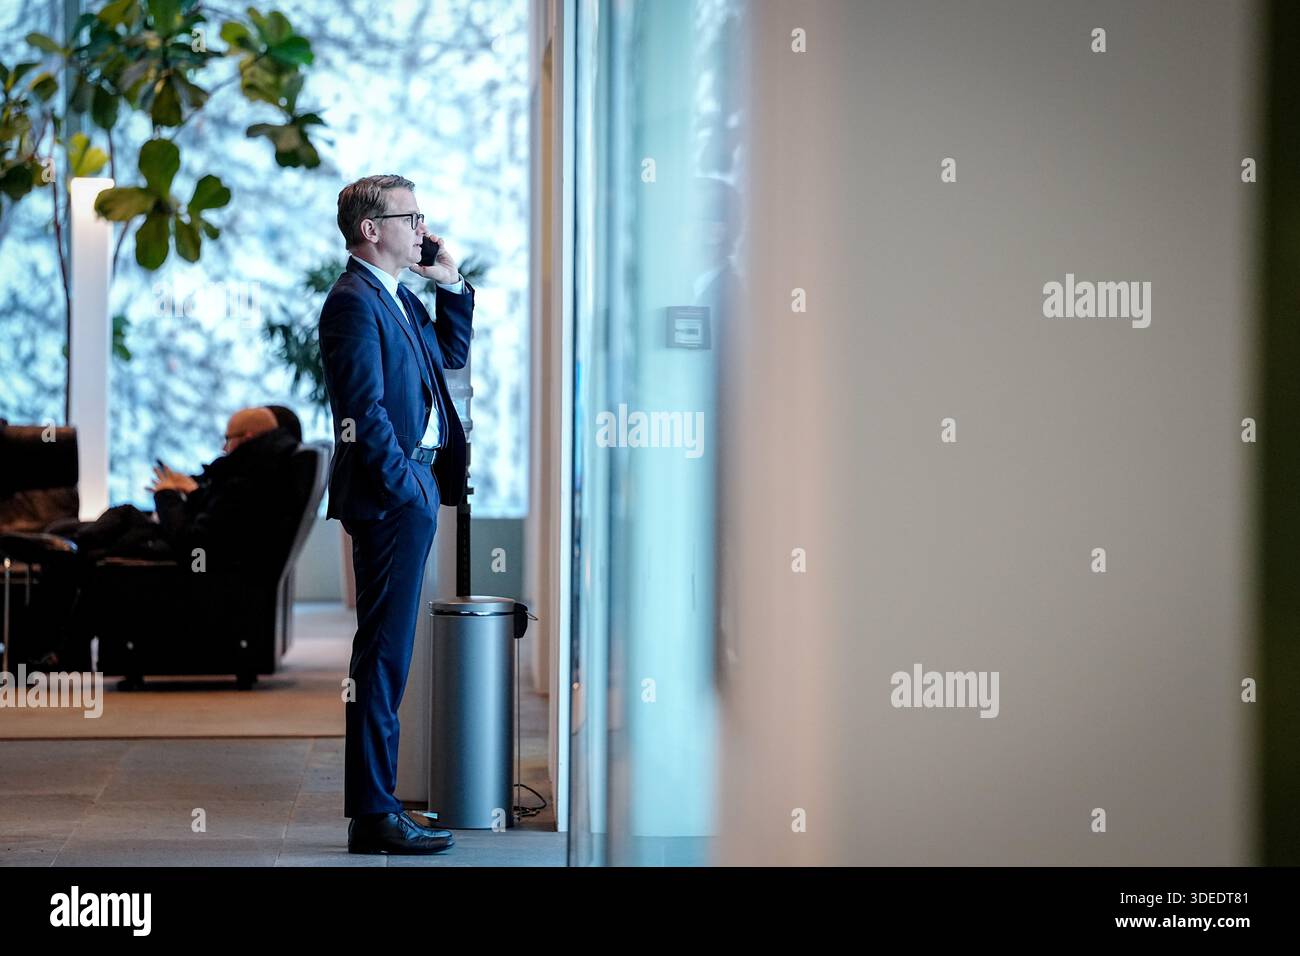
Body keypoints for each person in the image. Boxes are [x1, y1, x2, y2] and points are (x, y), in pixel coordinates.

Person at [318, 174, 473, 855]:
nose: (422, 228)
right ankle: (374, 814)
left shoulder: (397, 297)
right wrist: (406, 484)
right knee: (381, 659)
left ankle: (376, 808)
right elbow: (362, 412)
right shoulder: (354, 302)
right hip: (392, 498)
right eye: (410, 217)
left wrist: (450, 283)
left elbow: (450, 360)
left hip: (408, 491)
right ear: (371, 229)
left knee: (388, 657)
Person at [25, 406, 300, 672]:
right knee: (88, 528)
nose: (224, 448)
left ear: (247, 438)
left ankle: (58, 629)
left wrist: (167, 496)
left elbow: (194, 543)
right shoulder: (257, 468)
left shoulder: (244, 480)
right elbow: (216, 518)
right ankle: (67, 633)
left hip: (197, 569)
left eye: (227, 439)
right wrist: (192, 492)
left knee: (83, 547)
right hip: (200, 558)